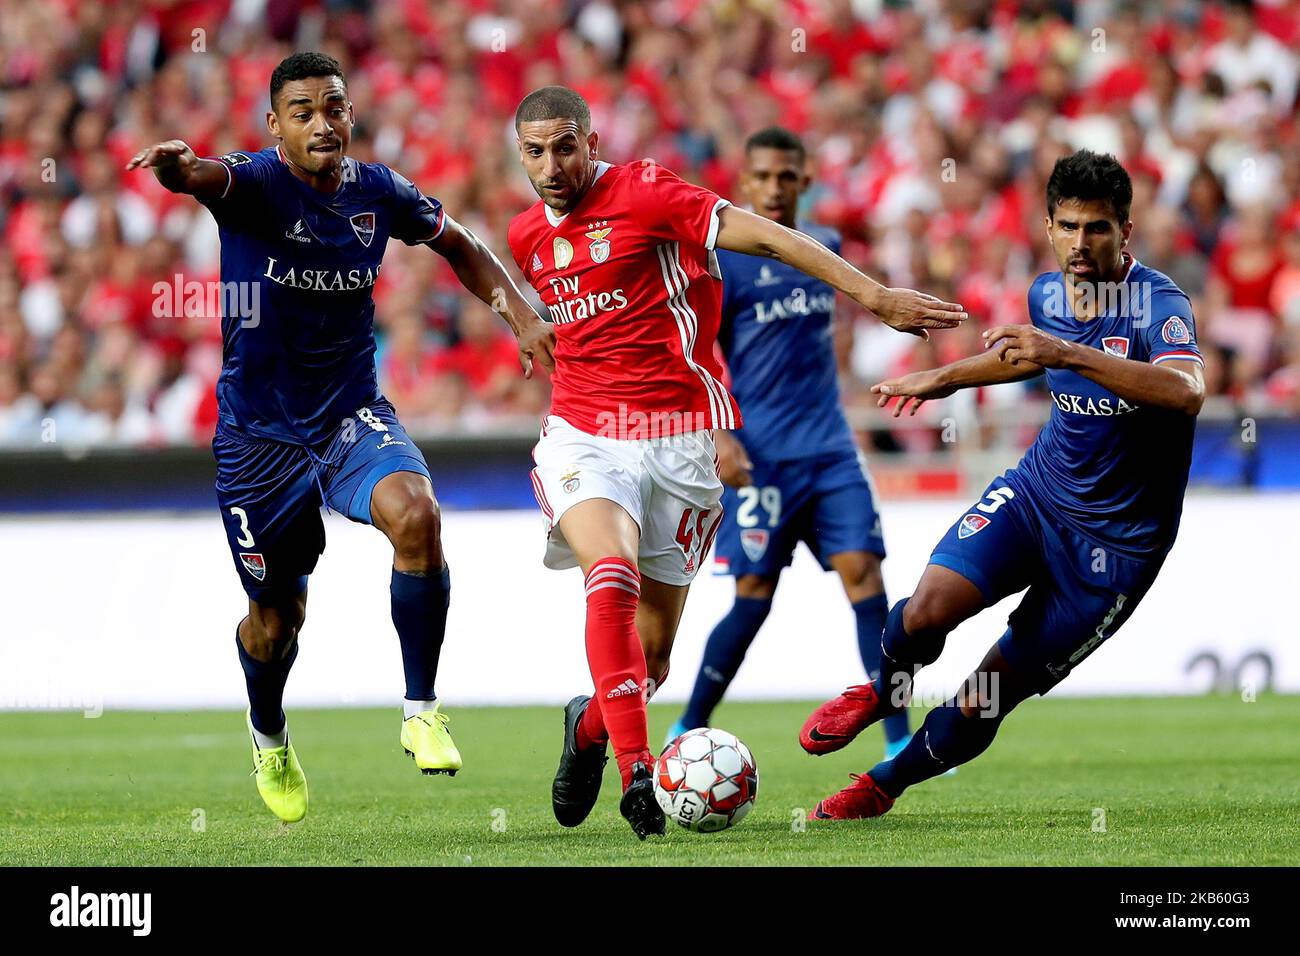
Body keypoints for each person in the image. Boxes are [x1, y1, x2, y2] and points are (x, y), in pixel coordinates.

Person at [505, 86, 965, 839]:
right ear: (519, 154)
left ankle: (588, 727)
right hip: (585, 434)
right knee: (610, 574)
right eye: (534, 151)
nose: (551, 165)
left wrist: (873, 294)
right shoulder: (528, 235)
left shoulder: (648, 192)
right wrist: (521, 322)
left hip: (680, 443)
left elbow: (775, 238)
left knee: (649, 667)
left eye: (565, 146)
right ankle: (636, 772)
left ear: (592, 140)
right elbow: (478, 260)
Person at [126, 52, 553, 823]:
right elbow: (204, 179)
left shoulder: (378, 192)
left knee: (418, 518)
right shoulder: (254, 183)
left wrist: (519, 315)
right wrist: (179, 171)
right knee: (276, 621)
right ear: (274, 126)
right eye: (303, 111)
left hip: (350, 415)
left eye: (334, 107)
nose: (323, 123)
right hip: (258, 439)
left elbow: (458, 242)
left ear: (350, 114)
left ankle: (421, 708)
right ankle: (269, 732)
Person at [801, 150, 1205, 820]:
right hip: (1038, 498)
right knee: (927, 607)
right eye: (1068, 226)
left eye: (1098, 228)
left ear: (1125, 232)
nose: (1081, 243)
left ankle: (882, 784)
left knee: (988, 690)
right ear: (1048, 226)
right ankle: (886, 689)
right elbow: (1025, 355)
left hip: (1117, 551)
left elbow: (1186, 390)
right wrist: (946, 376)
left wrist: (1066, 353)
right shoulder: (1046, 292)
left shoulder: (1158, 304)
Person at [667, 127, 910, 760]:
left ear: (804, 182)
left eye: (787, 177)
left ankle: (899, 737)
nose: (775, 188)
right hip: (760, 458)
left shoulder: (824, 248)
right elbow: (699, 352)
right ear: (744, 184)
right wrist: (720, 434)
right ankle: (685, 723)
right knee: (752, 598)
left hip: (830, 451)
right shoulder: (724, 262)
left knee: (868, 580)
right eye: (763, 177)